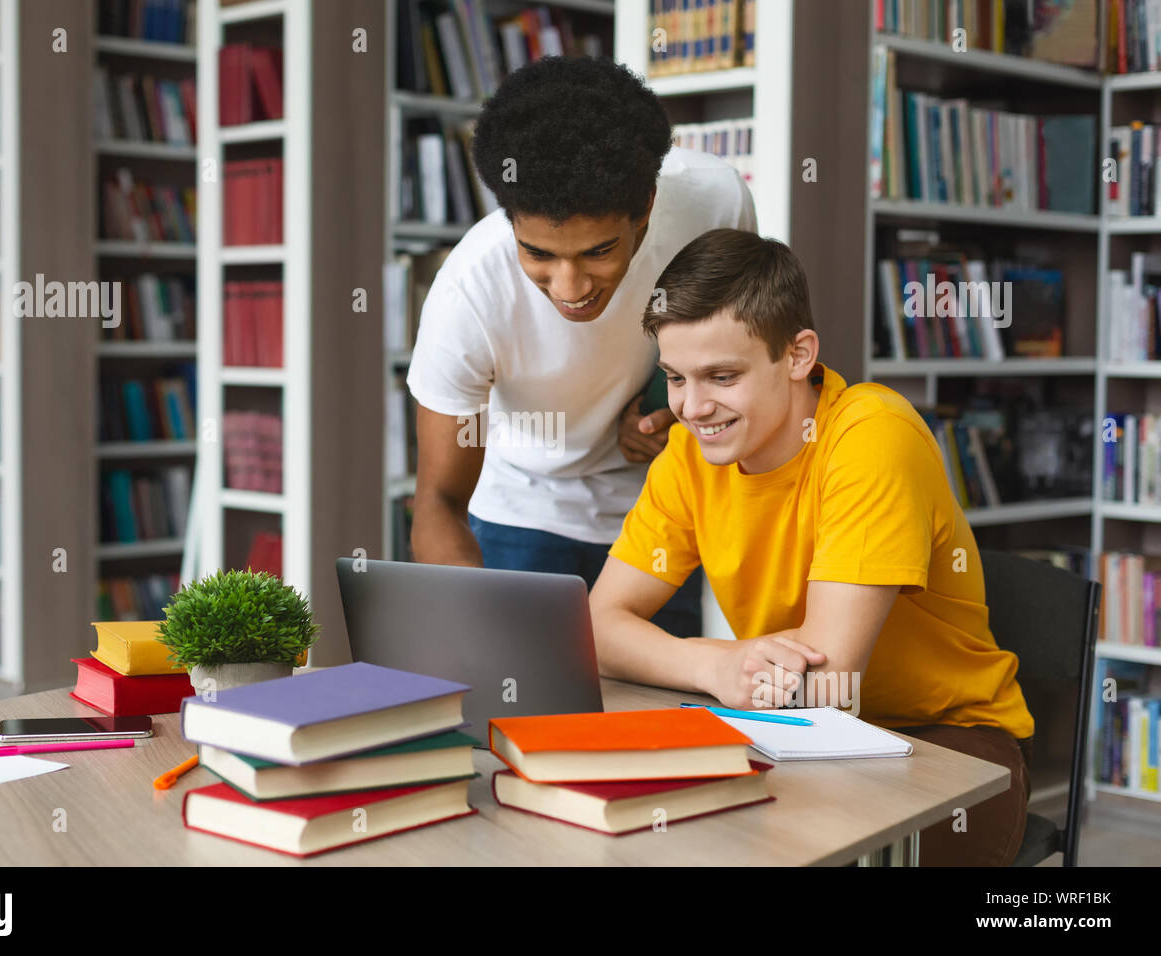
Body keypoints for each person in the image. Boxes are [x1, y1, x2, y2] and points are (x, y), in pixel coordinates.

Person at [588, 227, 1035, 866]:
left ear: (798, 355)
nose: (692, 407)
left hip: (947, 745)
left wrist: (714, 665)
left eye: (721, 376)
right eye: (675, 379)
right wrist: (716, 667)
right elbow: (600, 627)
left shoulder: (871, 436)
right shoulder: (690, 454)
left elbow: (828, 678)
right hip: (797, 740)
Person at [406, 56, 756, 637]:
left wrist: (666, 406)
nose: (570, 290)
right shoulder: (469, 290)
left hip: (658, 519)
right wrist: (474, 618)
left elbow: (730, 342)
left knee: (657, 717)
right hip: (522, 514)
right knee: (520, 711)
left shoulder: (714, 205)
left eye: (597, 251)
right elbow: (438, 499)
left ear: (644, 206)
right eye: (539, 254)